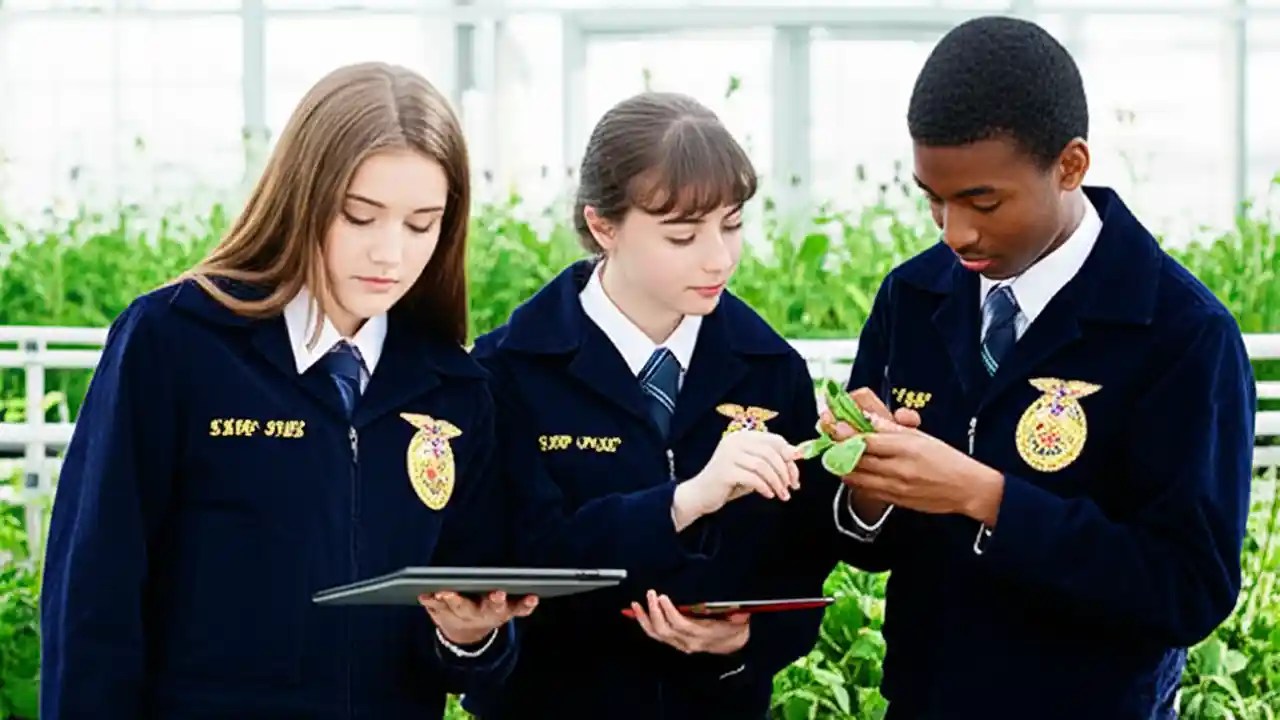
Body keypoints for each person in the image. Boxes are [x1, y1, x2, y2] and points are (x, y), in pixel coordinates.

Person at [39, 62, 537, 720]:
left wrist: (469, 637)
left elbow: (458, 635)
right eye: (361, 217)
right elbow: (93, 594)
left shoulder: (452, 389)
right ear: (303, 197)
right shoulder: (175, 343)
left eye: (422, 225)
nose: (391, 253)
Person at [823, 15, 1256, 719]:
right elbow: (871, 548)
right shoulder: (912, 296)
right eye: (933, 198)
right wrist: (870, 489)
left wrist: (988, 498)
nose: (955, 232)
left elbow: (1187, 588)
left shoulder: (1181, 334)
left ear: (1071, 165)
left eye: (982, 202)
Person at [464, 91, 841, 719]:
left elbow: (800, 567)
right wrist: (684, 500)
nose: (719, 257)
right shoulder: (508, 373)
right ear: (602, 226)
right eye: (682, 235)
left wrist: (746, 638)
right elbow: (519, 562)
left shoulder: (772, 372)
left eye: (732, 224)